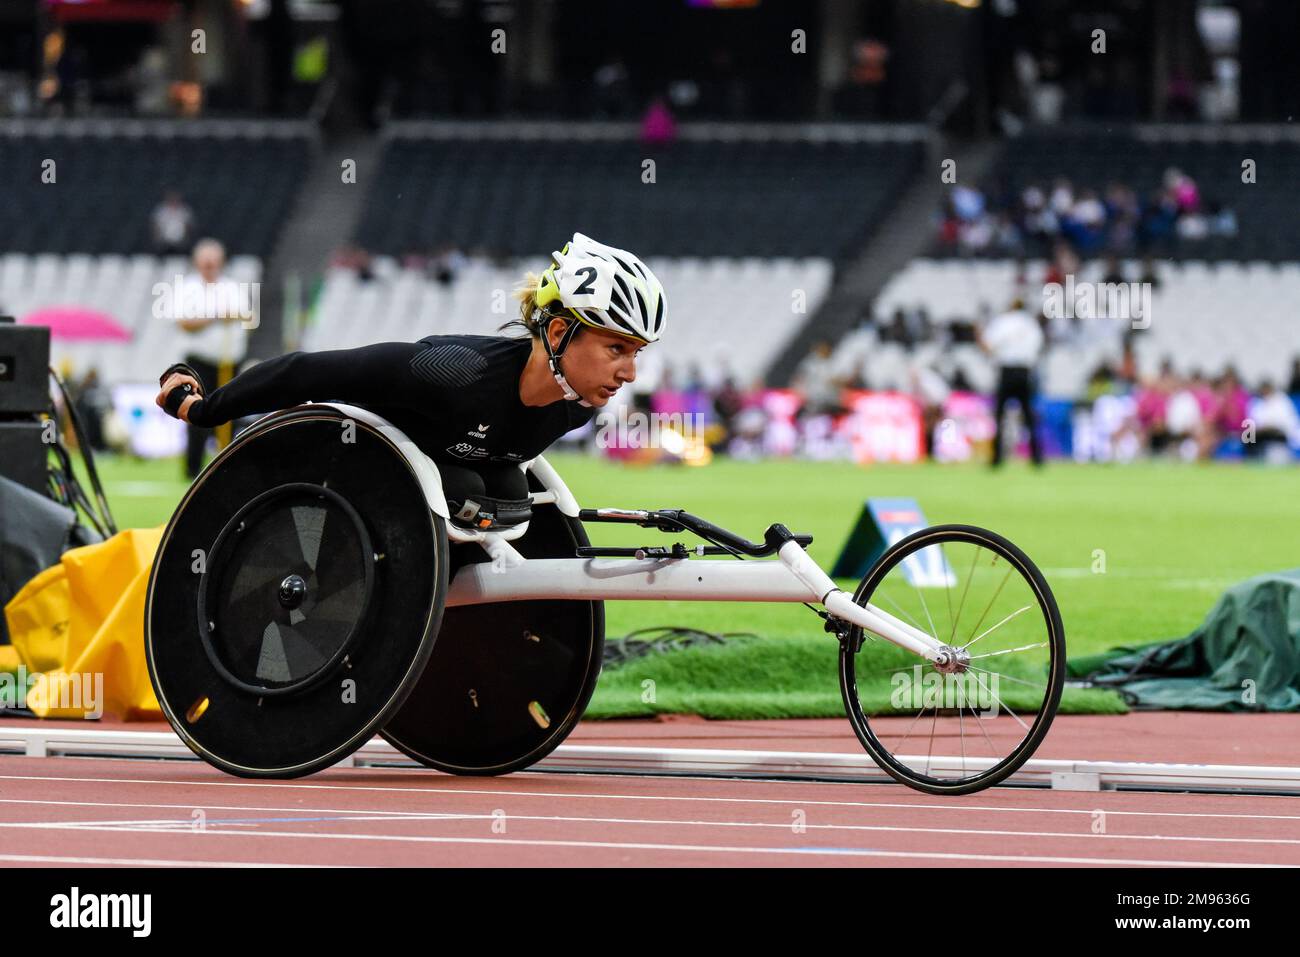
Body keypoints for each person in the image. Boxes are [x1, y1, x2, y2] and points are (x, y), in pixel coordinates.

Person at [156, 232, 667, 524]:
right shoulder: (453, 372)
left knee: (509, 494)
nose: (629, 372)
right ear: (558, 332)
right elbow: (308, 370)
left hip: (439, 471)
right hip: (344, 465)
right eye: (616, 348)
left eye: (637, 353)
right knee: (466, 488)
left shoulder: (578, 401)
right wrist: (203, 410)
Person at [172, 238, 253, 479]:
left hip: (229, 361)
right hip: (200, 362)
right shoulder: (188, 288)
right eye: (205, 261)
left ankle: (228, 465)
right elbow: (185, 323)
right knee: (196, 412)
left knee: (231, 413)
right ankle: (193, 469)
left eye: (213, 261)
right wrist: (217, 316)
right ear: (198, 262)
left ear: (220, 262)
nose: (209, 265)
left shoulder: (232, 287)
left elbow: (246, 318)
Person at [979, 297, 1044, 467]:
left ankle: (997, 458)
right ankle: (1036, 457)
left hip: (1006, 371)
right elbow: (1038, 347)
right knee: (1029, 416)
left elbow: (988, 346)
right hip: (1024, 372)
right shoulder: (1031, 324)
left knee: (1000, 415)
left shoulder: (1002, 322)